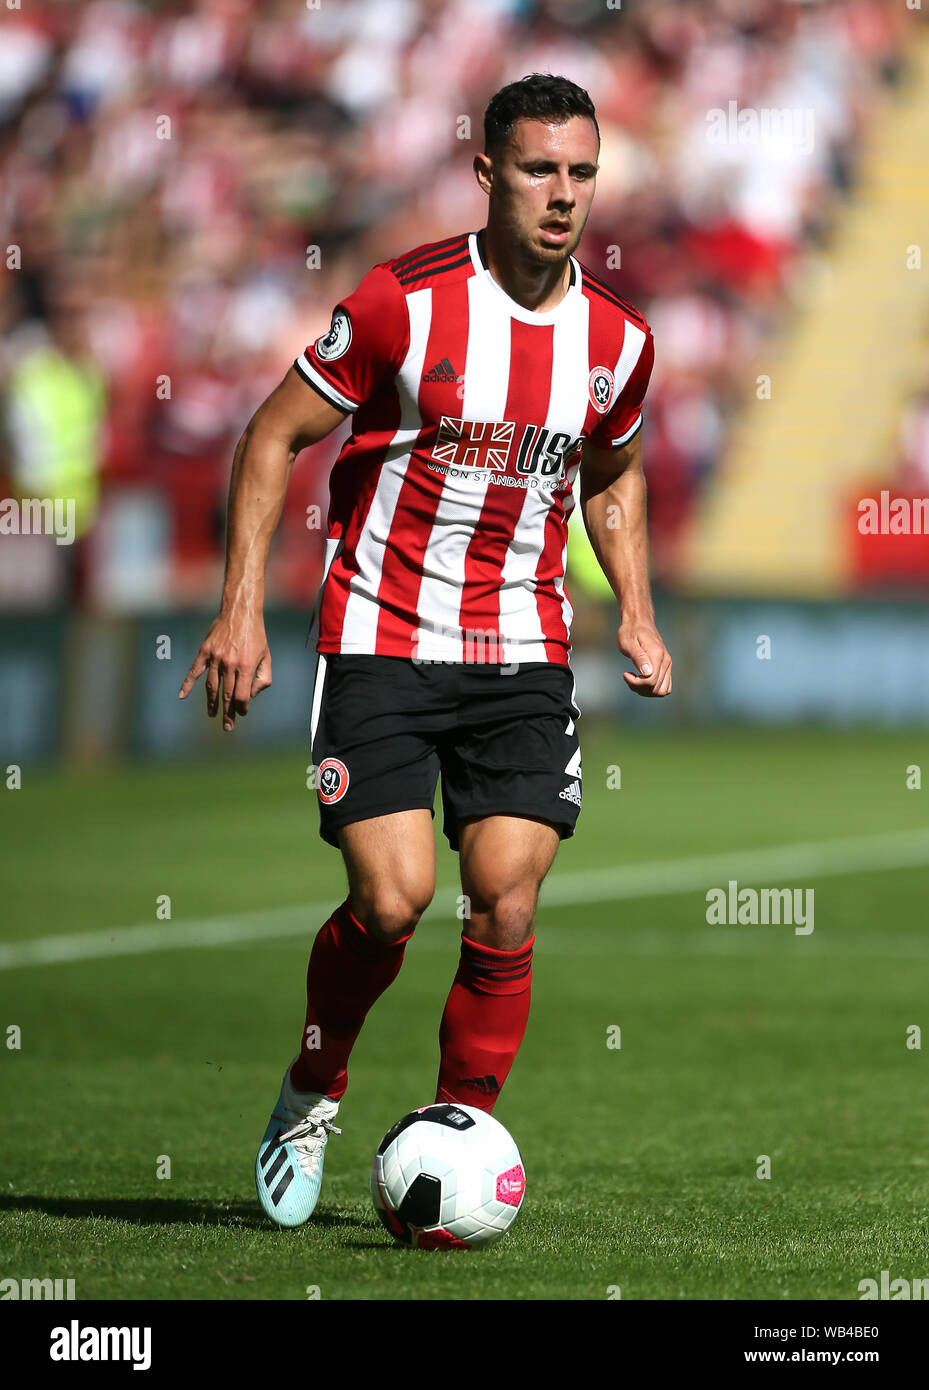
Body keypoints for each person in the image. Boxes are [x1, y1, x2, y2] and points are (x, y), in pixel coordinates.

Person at [180, 73, 671, 1228]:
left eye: (581, 172)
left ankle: (462, 1132)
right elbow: (270, 435)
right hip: (383, 637)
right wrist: (241, 606)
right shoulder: (404, 302)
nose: (563, 196)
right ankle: (313, 1085)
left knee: (502, 899)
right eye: (540, 169)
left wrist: (638, 607)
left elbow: (612, 472)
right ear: (486, 171)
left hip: (522, 650)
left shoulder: (617, 340)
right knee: (393, 901)